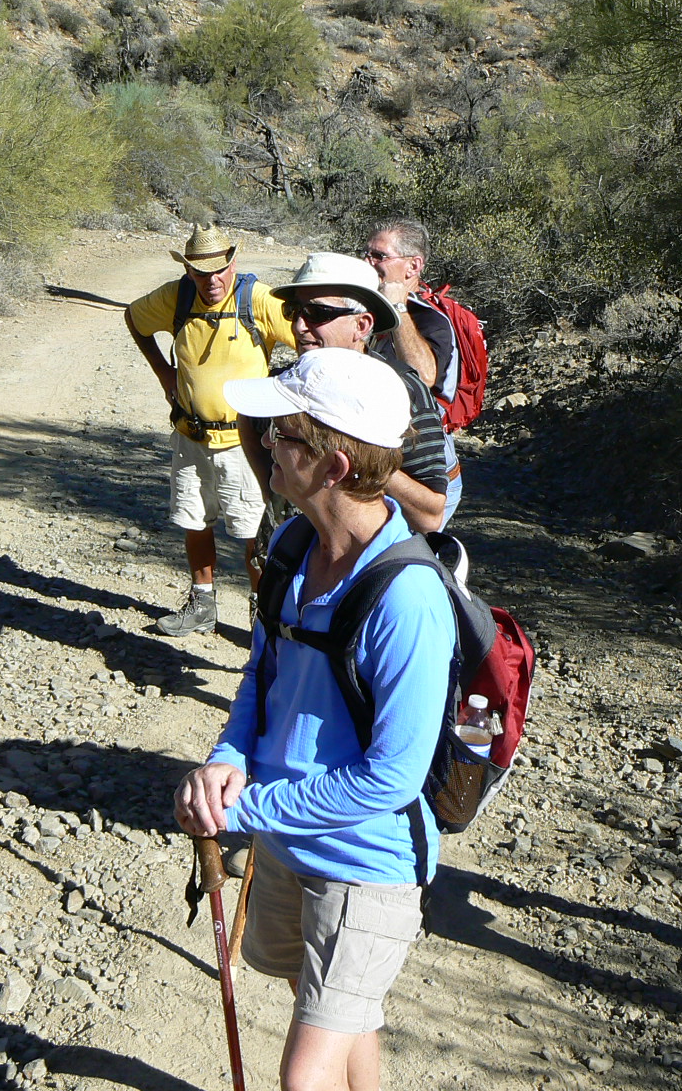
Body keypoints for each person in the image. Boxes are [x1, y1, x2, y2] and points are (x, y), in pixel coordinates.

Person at [174, 346, 453, 1091]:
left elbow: (391, 779)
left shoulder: (407, 598)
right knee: (341, 1011)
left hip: (366, 865)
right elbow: (261, 682)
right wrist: (229, 759)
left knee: (304, 1077)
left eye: (283, 435)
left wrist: (248, 808)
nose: (262, 442)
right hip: (291, 843)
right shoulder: (293, 547)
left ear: (332, 466)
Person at [125, 223, 295, 636]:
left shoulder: (259, 300)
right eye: (201, 273)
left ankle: (262, 619)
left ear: (233, 263)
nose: (212, 281)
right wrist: (165, 375)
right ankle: (203, 604)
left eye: (220, 270)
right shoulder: (176, 297)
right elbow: (134, 318)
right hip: (190, 436)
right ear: (188, 272)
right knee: (194, 520)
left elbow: (311, 340)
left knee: (255, 532)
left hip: (245, 444)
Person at [238, 251, 453, 535]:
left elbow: (430, 516)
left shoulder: (401, 389)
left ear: (361, 325)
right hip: (291, 550)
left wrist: (361, 452)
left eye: (317, 313)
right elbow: (248, 419)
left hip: (367, 562)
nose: (299, 326)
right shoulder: (285, 384)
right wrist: (275, 490)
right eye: (293, 311)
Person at [361, 219, 462, 522]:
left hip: (425, 468)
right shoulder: (370, 310)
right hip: (384, 459)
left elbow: (425, 376)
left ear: (413, 265)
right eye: (367, 253)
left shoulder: (432, 321)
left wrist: (399, 308)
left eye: (379, 256)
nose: (369, 262)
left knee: (416, 558)